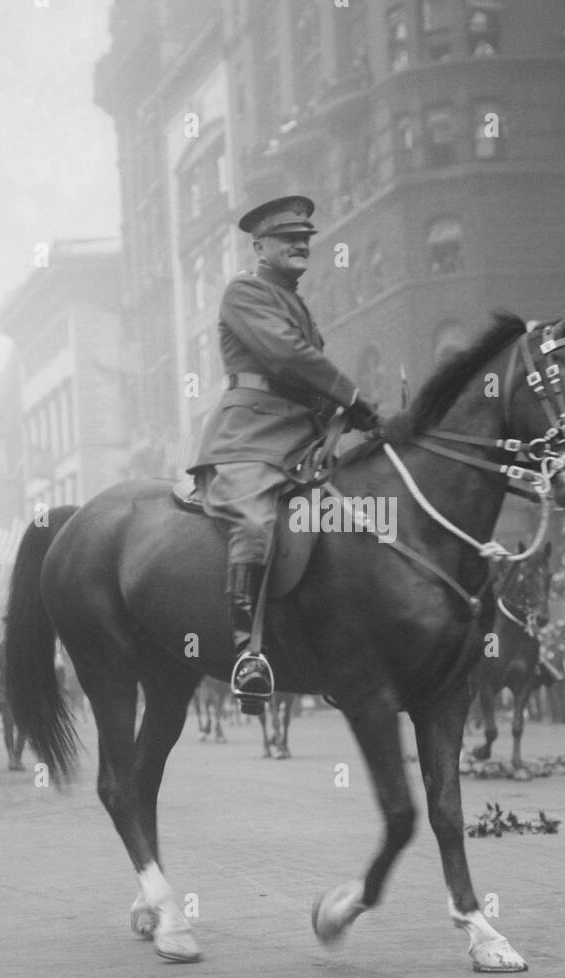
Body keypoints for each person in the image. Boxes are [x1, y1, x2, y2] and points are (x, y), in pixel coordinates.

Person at [187, 195, 380, 714]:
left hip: (302, 438)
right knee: (254, 523)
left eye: (305, 238)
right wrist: (352, 396)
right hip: (249, 437)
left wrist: (356, 417)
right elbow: (286, 356)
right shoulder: (244, 292)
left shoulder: (295, 301)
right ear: (259, 246)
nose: (301, 245)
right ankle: (246, 653)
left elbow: (306, 369)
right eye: (289, 238)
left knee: (357, 516)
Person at [0, 622, 26, 770]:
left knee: (24, 727)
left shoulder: (24, 649)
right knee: (8, 722)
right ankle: (11, 757)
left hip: (21, 693)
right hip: (3, 693)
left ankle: (18, 757)